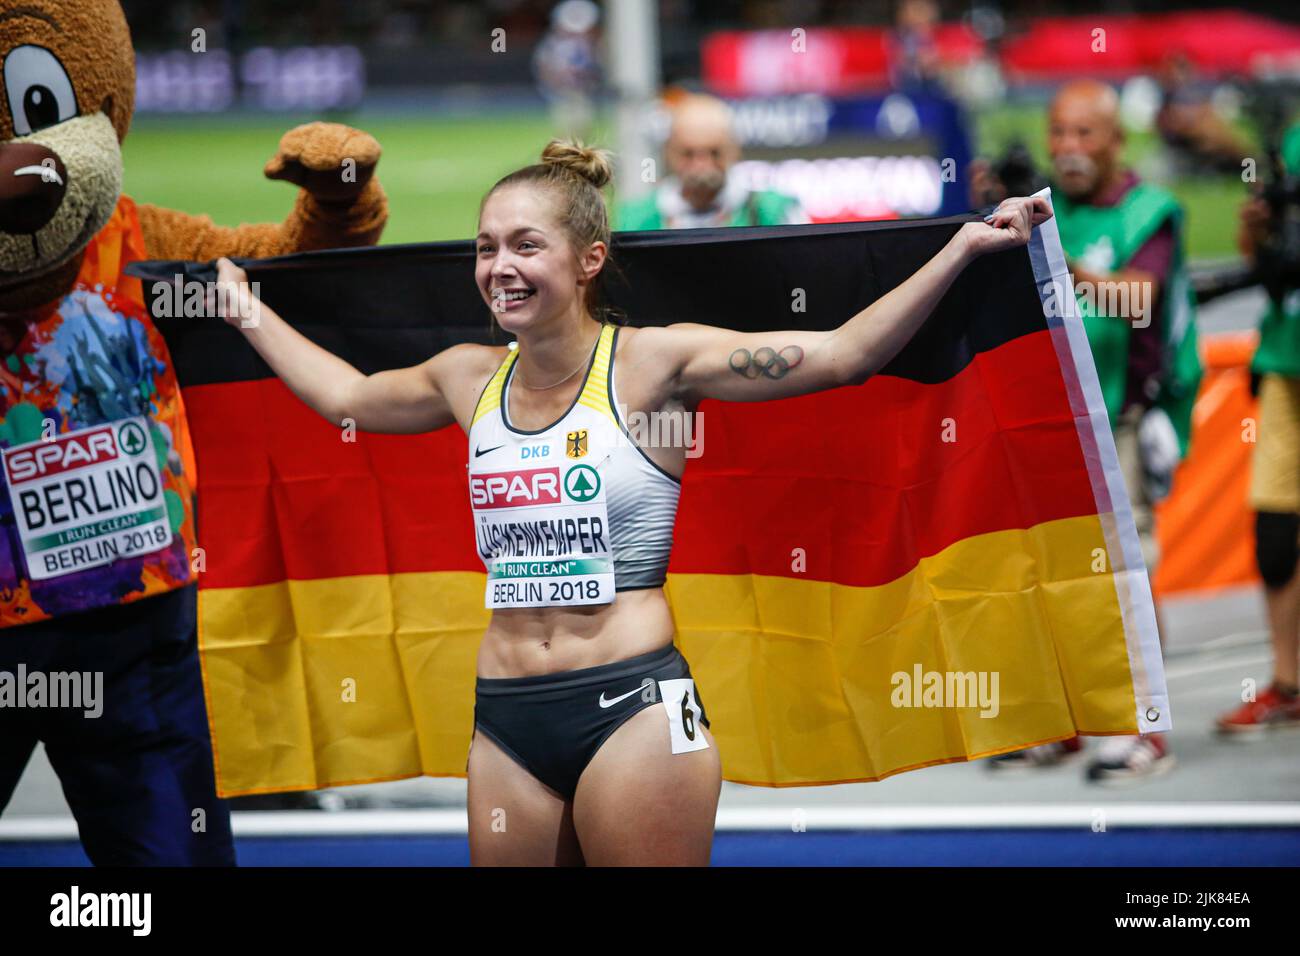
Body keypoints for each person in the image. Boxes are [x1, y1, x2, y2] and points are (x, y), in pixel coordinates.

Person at [209, 140, 1049, 866]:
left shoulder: (654, 367)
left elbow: (841, 356)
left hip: (634, 712)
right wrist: (247, 313)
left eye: (526, 245)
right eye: (485, 247)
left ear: (589, 259)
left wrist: (963, 249)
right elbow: (350, 398)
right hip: (504, 719)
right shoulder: (466, 377)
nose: (499, 266)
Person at [985, 79, 1201, 784]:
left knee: (1126, 577)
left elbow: (1139, 297)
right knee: (1048, 574)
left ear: (1117, 141)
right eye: (1060, 133)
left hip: (1124, 419)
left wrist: (1058, 262)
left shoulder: (1150, 210)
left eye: (1086, 134)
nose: (1070, 149)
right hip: (1048, 421)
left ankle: (1148, 730)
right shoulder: (1042, 207)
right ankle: (1066, 723)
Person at [1215, 120, 1300, 734]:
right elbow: (1273, 259)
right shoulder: (1290, 139)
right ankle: (1289, 684)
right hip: (1285, 369)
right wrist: (1257, 232)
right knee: (1275, 537)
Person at [617, 94, 808, 230]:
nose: (701, 164)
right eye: (688, 154)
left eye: (714, 153)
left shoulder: (775, 213)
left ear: (734, 150)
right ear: (668, 152)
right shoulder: (633, 220)